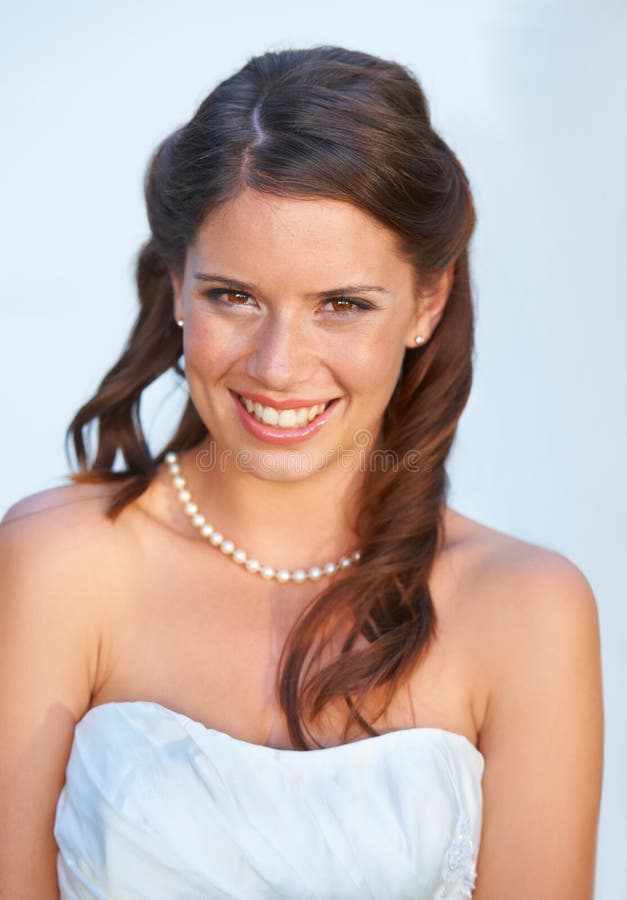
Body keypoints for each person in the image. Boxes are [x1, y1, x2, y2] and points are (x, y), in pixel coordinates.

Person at [0, 45, 603, 899]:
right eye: (233, 297)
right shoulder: (55, 564)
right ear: (177, 286)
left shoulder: (527, 611)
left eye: (342, 305)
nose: (280, 367)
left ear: (426, 303)